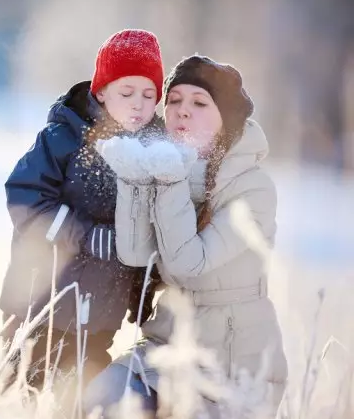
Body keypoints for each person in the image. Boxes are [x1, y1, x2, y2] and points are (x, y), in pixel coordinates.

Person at [83, 55, 289, 418]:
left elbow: (188, 263)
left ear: (226, 117)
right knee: (100, 400)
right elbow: (136, 254)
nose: (182, 111)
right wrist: (133, 180)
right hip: (165, 345)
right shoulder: (170, 164)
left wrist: (168, 178)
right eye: (174, 100)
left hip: (231, 361)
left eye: (199, 102)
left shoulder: (254, 189)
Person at [0, 29, 165, 401]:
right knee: (23, 395)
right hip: (40, 307)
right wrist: (87, 236)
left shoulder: (157, 153)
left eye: (149, 94)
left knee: (81, 403)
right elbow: (25, 197)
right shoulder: (64, 138)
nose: (138, 104)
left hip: (100, 318)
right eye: (126, 93)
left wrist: (145, 284)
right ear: (101, 91)